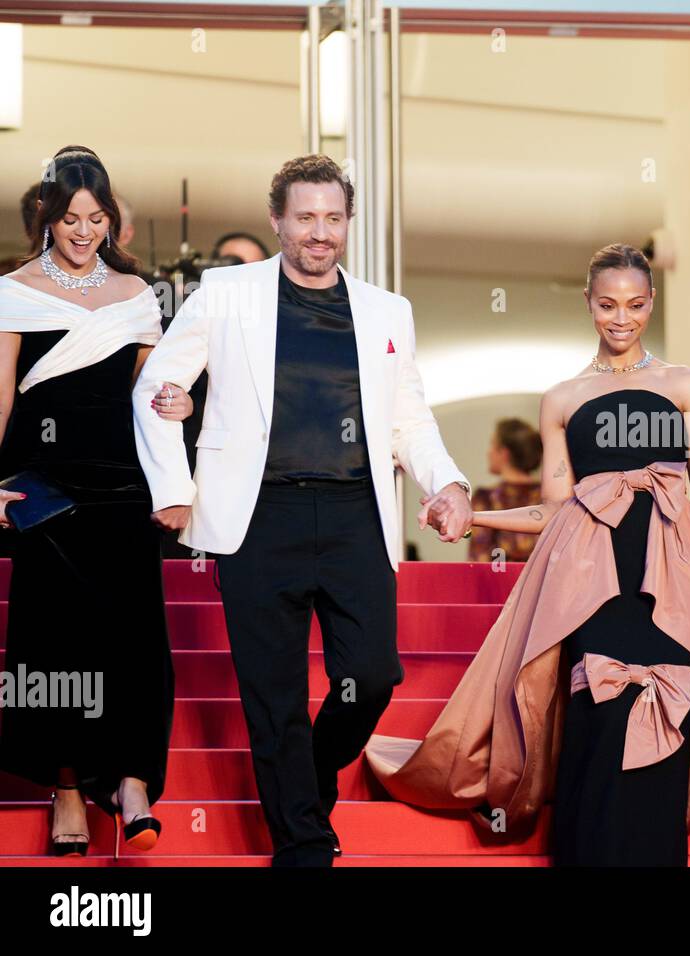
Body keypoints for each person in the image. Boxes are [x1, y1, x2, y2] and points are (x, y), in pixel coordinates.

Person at [365, 243, 690, 866]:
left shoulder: (686, 384)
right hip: (590, 575)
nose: (623, 318)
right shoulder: (562, 398)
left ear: (652, 303)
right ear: (589, 303)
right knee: (597, 716)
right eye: (609, 304)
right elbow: (554, 510)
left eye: (638, 304)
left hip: (673, 568)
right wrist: (470, 513)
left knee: (668, 705)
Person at [131, 154, 472, 867]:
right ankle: (304, 844)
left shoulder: (388, 310)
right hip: (259, 520)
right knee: (273, 694)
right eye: (306, 218)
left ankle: (310, 780)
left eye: (334, 219)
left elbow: (409, 420)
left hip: (355, 515)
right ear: (278, 220)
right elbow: (157, 386)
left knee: (373, 675)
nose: (320, 233)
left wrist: (449, 483)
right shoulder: (225, 293)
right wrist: (173, 489)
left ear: (348, 222)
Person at [0, 145, 193, 856]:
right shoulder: (13, 290)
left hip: (123, 492)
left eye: (97, 217)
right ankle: (69, 788)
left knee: (135, 644)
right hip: (46, 494)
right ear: (48, 218)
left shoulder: (138, 296)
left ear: (110, 219)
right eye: (71, 218)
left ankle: (133, 780)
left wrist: (184, 397)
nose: (84, 231)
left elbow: (156, 395)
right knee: (55, 646)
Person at [468, 417, 543, 562]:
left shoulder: (487, 498)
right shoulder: (549, 497)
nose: (488, 452)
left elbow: (479, 559)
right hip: (543, 582)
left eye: (492, 444)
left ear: (504, 453)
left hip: (500, 582)